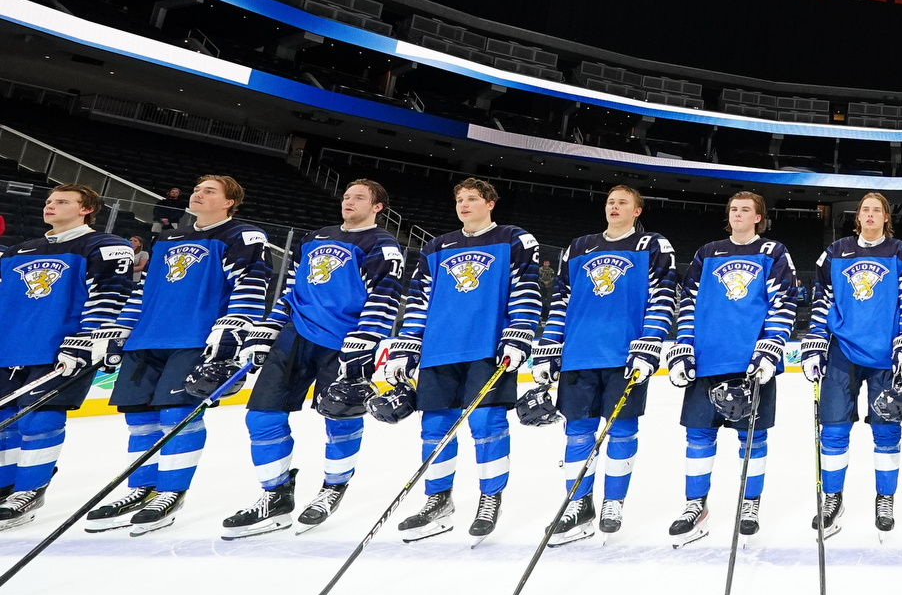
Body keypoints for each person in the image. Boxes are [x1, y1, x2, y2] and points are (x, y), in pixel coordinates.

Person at [217, 179, 404, 537]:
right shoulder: (316, 237)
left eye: (359, 197)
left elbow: (386, 296)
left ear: (378, 207)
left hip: (346, 342)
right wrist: (271, 326)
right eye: (347, 196)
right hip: (295, 334)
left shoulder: (382, 245)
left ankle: (333, 488)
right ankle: (275, 495)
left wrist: (367, 338)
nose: (349, 201)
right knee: (261, 415)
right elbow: (291, 287)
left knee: (340, 415)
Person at [87, 175, 271, 535]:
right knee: (139, 419)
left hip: (194, 337)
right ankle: (141, 488)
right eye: (197, 190)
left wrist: (233, 330)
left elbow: (250, 284)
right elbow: (146, 288)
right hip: (147, 337)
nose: (198, 195)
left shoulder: (243, 235)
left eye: (209, 192)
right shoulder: (170, 237)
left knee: (177, 415)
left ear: (230, 202)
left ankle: (170, 492)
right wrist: (123, 326)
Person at [378, 178, 542, 543]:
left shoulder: (513, 238)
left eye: (472, 199)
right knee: (435, 428)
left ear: (490, 203)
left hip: (488, 348)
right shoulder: (437, 246)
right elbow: (419, 300)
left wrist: (519, 333)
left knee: (486, 422)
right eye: (460, 200)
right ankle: (437, 501)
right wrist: (409, 344)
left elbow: (526, 288)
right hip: (439, 350)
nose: (464, 205)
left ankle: (489, 498)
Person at [529, 184, 676, 544]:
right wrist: (549, 347)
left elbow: (663, 295)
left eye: (623, 202)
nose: (614, 206)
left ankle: (613, 502)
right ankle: (578, 506)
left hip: (625, 356)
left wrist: (649, 344)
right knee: (577, 432)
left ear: (637, 211)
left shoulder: (652, 245)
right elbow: (561, 299)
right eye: (610, 201)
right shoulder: (579, 247)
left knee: (622, 431)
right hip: (579, 354)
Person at [665, 191, 799, 545]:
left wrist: (770, 349)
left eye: (745, 210)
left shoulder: (773, 253)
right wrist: (683, 347)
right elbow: (688, 303)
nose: (737, 214)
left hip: (750, 362)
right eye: (733, 209)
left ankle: (750, 503)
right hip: (707, 359)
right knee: (698, 435)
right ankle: (696, 505)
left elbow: (783, 303)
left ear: (759, 217)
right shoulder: (707, 253)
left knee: (752, 436)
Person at [0, 185, 137, 530]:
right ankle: (4, 486)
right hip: (9, 346)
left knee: (39, 417)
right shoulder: (18, 251)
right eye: (49, 201)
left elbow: (110, 294)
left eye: (62, 201)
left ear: (86, 209)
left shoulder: (105, 245)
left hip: (60, 348)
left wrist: (87, 339)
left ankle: (29, 490)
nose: (50, 206)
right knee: (6, 422)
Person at [800, 191, 902, 539]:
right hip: (842, 353)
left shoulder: (901, 253)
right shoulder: (835, 253)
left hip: (886, 355)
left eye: (876, 210)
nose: (870, 215)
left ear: (886, 218)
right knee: (834, 430)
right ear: (858, 218)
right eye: (865, 210)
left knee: (886, 432)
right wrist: (814, 345)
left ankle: (885, 499)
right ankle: (832, 498)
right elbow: (822, 302)